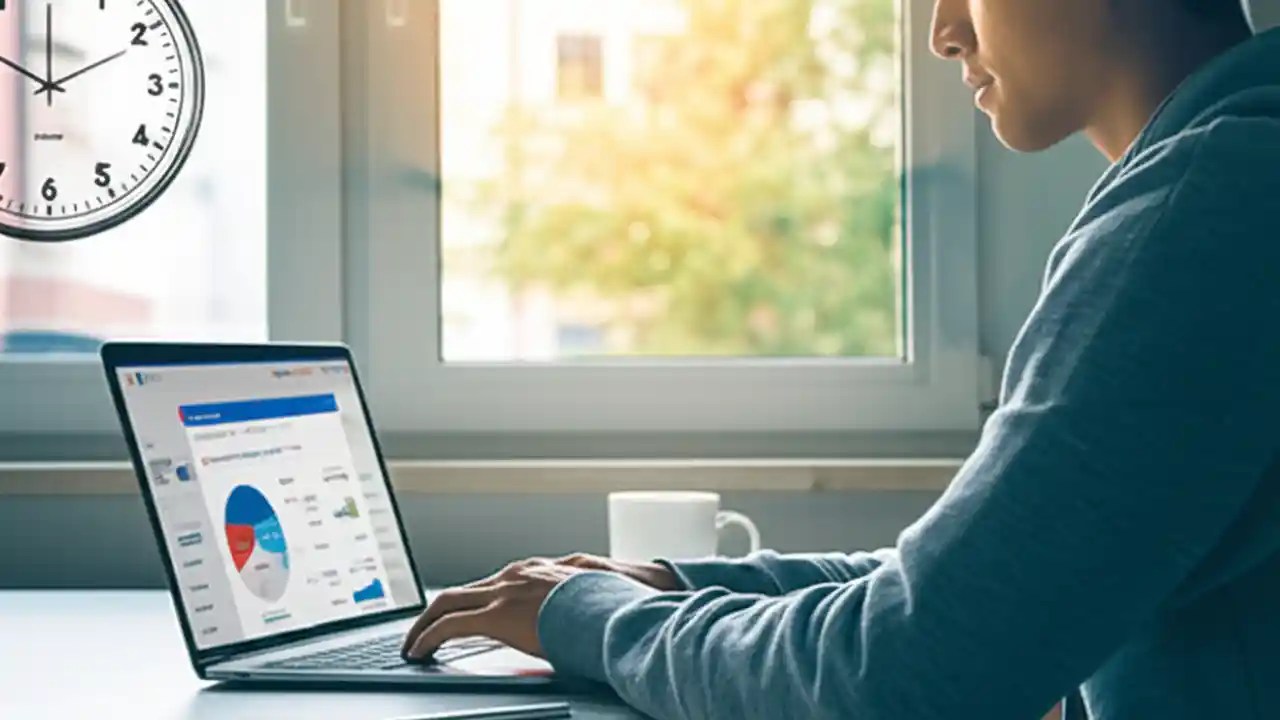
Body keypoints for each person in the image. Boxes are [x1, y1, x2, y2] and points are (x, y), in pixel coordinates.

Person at [403, 0, 1280, 717]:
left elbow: (913, 668)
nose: (943, 31)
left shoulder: (1205, 211)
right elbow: (970, 585)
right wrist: (674, 582)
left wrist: (595, 624)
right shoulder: (1227, 170)